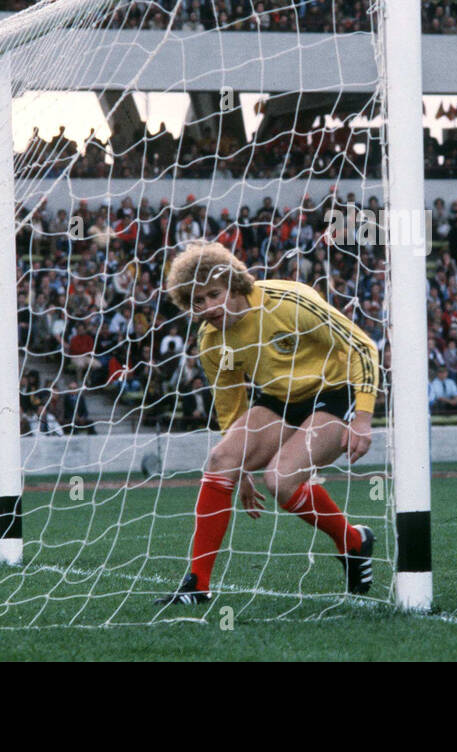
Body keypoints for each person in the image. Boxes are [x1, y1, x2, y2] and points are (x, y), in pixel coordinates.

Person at [155, 240, 378, 606]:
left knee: (279, 479)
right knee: (220, 462)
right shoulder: (212, 340)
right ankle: (197, 584)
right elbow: (229, 402)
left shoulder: (289, 301)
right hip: (278, 399)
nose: (208, 307)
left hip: (335, 393)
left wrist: (364, 419)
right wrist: (241, 470)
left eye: (214, 294)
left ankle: (352, 541)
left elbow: (362, 347)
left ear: (234, 284)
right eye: (197, 301)